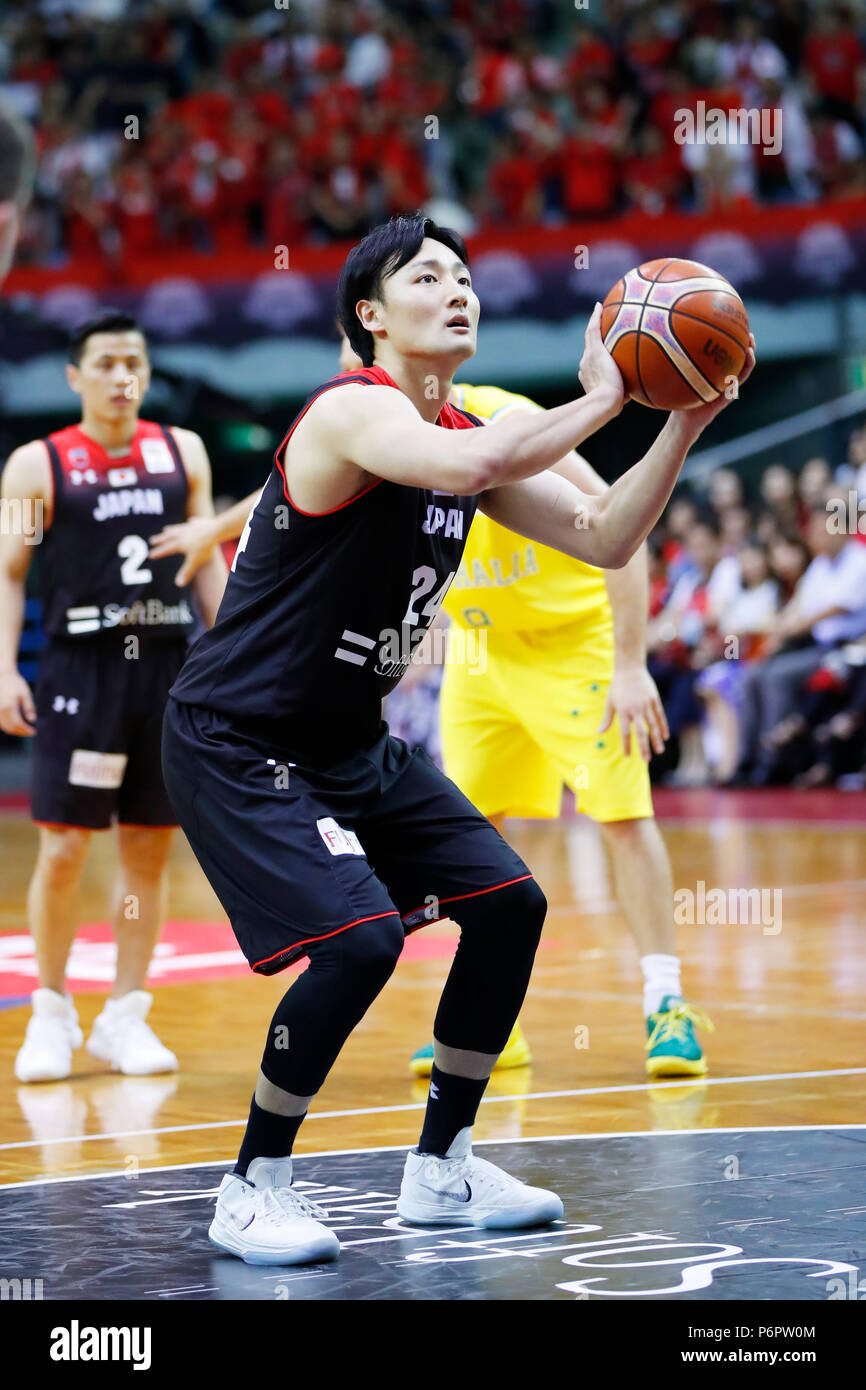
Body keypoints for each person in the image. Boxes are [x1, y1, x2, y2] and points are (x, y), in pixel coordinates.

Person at [158, 213, 753, 1266]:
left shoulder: (469, 425)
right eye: (426, 276)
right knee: (359, 944)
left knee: (508, 906)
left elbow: (603, 532)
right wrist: (612, 390)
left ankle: (441, 1168)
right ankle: (252, 1183)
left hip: (347, 740)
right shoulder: (354, 413)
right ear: (371, 318)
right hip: (238, 738)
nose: (458, 287)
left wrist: (681, 423)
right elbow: (470, 466)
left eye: (465, 273)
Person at [407, 378, 715, 1080]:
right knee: (467, 837)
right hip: (481, 656)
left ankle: (666, 1005)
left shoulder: (506, 418)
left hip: (576, 646)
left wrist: (631, 665)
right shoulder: (382, 433)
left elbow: (620, 524)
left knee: (623, 817)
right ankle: (490, 1020)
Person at [0, 311, 227, 1081]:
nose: (121, 375)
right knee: (64, 848)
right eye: (104, 363)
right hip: (79, 673)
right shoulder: (35, 464)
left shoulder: (182, 450)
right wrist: (5, 671)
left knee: (147, 848)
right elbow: (8, 572)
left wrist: (229, 651)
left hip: (165, 669)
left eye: (134, 360)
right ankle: (51, 1010)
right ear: (75, 376)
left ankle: (125, 1013)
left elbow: (203, 560)